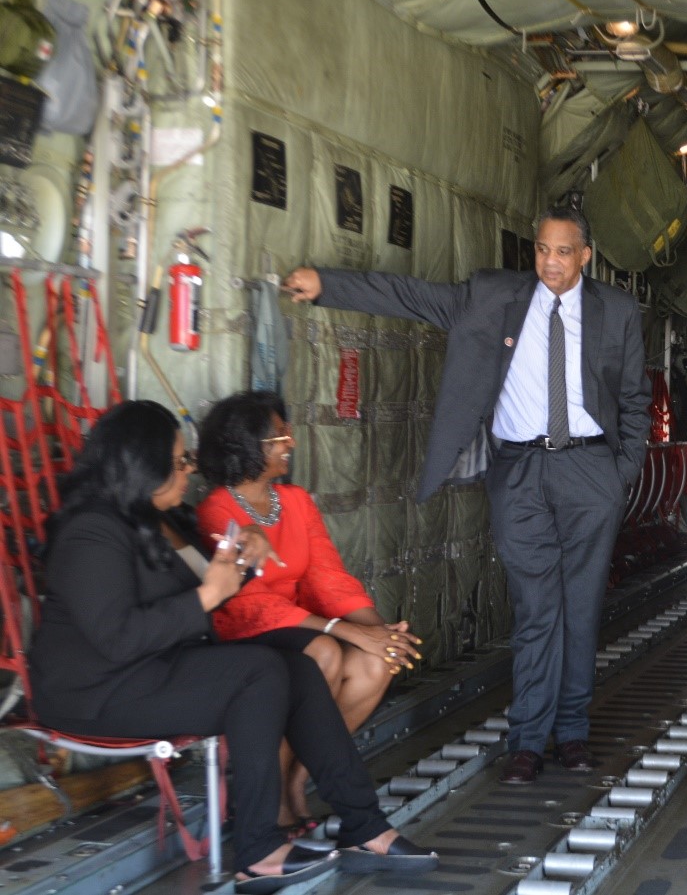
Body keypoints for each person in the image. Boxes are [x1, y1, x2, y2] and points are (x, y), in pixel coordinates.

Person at [282, 204, 651, 786]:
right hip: (520, 471)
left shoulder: (618, 310)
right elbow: (408, 295)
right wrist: (326, 285)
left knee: (580, 609)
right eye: (542, 250)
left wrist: (620, 473)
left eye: (563, 252)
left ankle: (573, 731)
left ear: (584, 255)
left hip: (590, 471)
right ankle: (527, 741)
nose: (550, 263)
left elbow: (634, 397)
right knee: (536, 609)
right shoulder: (491, 296)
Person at [26, 401, 437, 894]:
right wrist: (208, 595)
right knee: (260, 671)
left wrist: (248, 554)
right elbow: (118, 637)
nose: (190, 469)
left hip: (155, 669)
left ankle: (365, 826)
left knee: (297, 668)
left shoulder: (164, 520)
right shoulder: (91, 531)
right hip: (95, 692)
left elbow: (218, 589)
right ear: (143, 465)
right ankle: (258, 849)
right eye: (179, 461)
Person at [196, 390, 421, 828]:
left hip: (305, 626)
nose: (291, 444)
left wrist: (384, 635)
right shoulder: (215, 510)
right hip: (245, 628)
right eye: (280, 436)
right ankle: (272, 793)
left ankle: (298, 780)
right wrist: (348, 632)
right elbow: (250, 601)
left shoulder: (296, 501)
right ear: (248, 445)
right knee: (323, 653)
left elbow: (328, 577)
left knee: (377, 663)